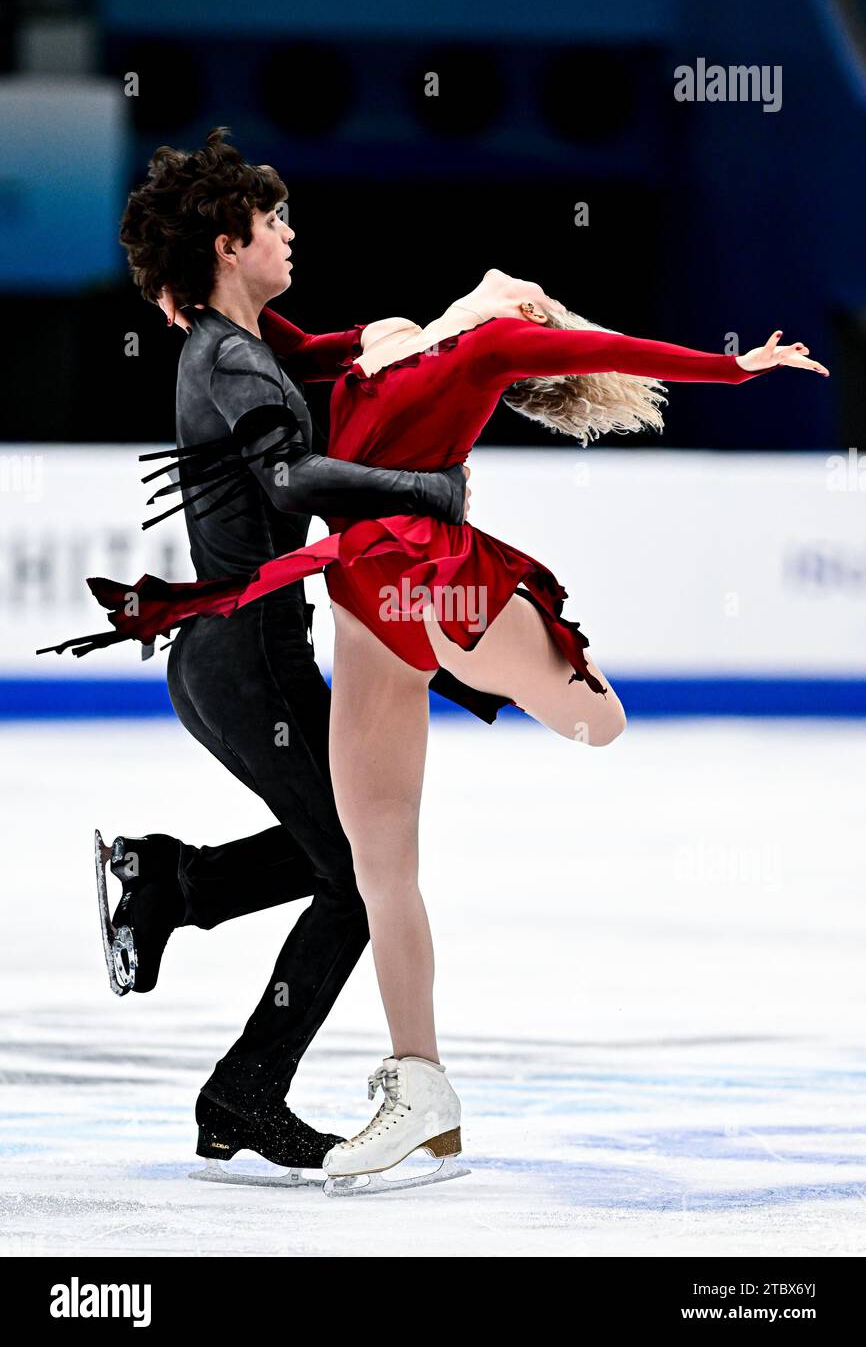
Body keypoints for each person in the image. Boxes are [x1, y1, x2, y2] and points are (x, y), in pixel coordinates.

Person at [45, 250, 828, 1194]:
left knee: (597, 725)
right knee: (378, 873)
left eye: (529, 293)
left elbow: (623, 347)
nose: (507, 276)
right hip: (364, 608)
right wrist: (183, 288)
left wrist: (732, 366)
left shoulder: (488, 344)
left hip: (428, 582)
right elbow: (269, 334)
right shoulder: (384, 340)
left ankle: (518, 670)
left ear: (528, 321)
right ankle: (422, 1091)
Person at [47, 128, 471, 1182]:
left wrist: (415, 341)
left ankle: (171, 884)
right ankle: (243, 1082)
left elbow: (312, 363)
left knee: (353, 858)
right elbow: (289, 482)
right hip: (249, 663)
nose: (290, 231)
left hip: (245, 655)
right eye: (274, 219)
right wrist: (425, 493)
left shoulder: (238, 347)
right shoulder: (224, 355)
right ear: (230, 242)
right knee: (359, 877)